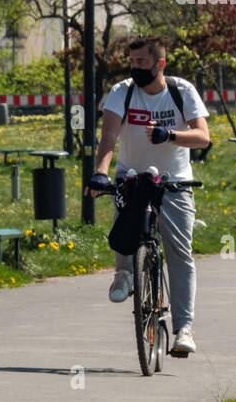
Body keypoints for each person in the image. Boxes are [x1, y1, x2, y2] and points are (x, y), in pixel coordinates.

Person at [90, 36, 210, 357]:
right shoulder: (123, 92)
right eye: (132, 63)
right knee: (124, 228)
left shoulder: (181, 91)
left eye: (142, 63)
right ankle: (124, 273)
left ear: (160, 64)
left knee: (179, 252)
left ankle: (184, 328)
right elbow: (109, 138)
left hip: (175, 183)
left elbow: (203, 137)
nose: (135, 68)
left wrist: (169, 134)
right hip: (132, 176)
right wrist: (101, 172)